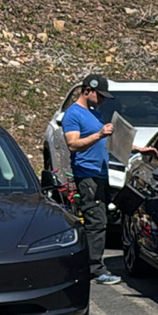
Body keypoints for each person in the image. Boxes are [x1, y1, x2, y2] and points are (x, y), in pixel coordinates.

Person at [62, 73, 121, 285]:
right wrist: (99, 134)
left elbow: (107, 143)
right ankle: (94, 268)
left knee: (102, 218)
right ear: (88, 90)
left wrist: (139, 149)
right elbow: (73, 144)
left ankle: (93, 264)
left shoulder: (95, 114)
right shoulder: (73, 115)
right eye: (100, 95)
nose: (103, 100)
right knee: (96, 221)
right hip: (87, 175)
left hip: (100, 174)